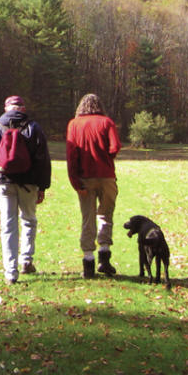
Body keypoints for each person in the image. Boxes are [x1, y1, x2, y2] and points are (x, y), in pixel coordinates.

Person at [0, 95, 51, 284]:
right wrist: (42, 186)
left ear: (6, 108)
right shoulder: (34, 128)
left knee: (8, 225)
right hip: (29, 184)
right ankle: (26, 260)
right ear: (23, 108)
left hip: (4, 182)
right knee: (29, 220)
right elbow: (43, 159)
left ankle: (11, 272)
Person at [66, 93, 122, 279]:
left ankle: (88, 262)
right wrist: (106, 159)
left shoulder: (74, 125)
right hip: (106, 176)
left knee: (87, 219)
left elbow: (71, 156)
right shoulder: (107, 122)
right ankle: (104, 258)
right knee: (105, 215)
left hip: (85, 178)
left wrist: (75, 181)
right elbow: (115, 147)